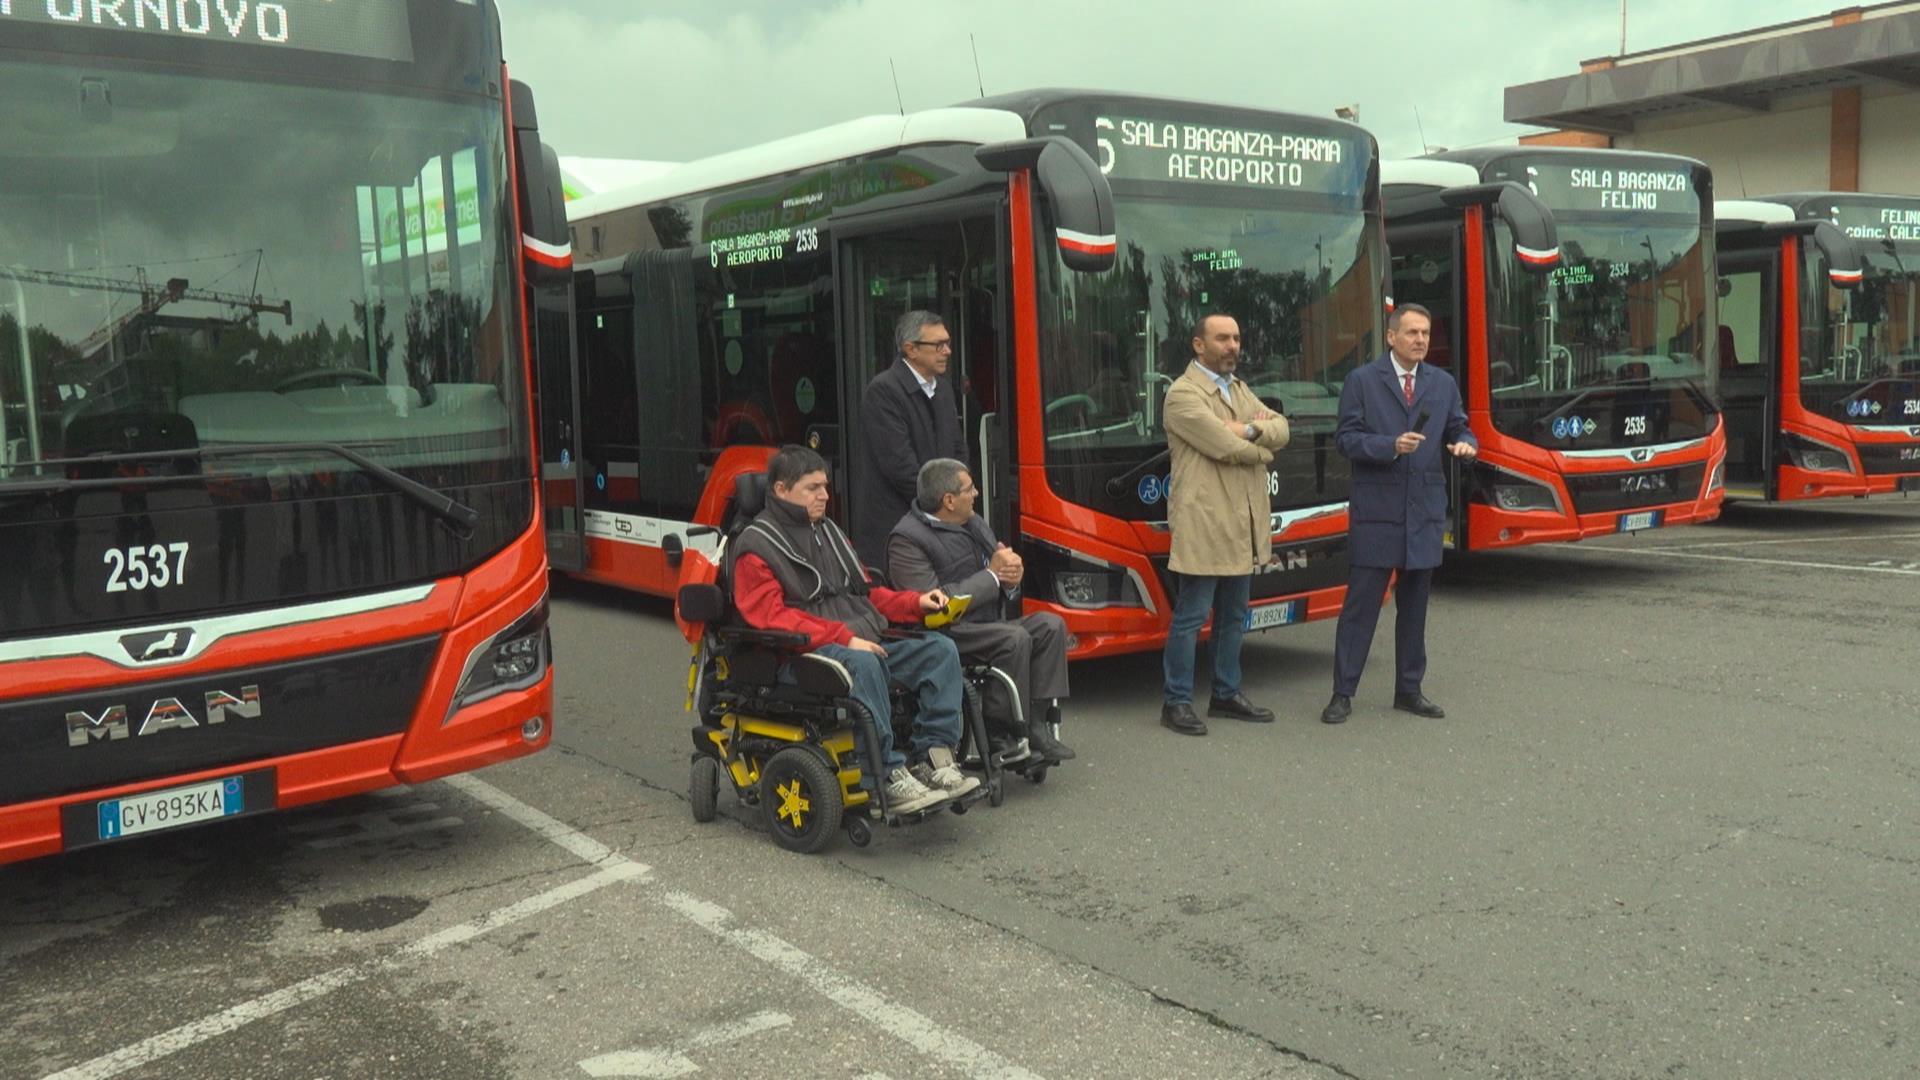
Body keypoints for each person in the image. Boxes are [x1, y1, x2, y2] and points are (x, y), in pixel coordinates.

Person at [731, 445, 981, 812]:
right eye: (813, 488)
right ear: (782, 490)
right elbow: (772, 618)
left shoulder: (829, 533)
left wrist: (915, 602)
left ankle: (934, 757)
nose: (824, 495)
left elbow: (866, 595)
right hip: (801, 655)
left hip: (859, 642)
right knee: (863, 664)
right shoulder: (756, 546)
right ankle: (886, 777)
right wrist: (844, 638)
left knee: (940, 650)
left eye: (825, 486)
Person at [1320, 303, 1477, 724]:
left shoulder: (1442, 383)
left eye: (1425, 333)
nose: (1421, 340)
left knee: (1415, 607)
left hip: (1423, 510)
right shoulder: (1363, 381)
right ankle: (1342, 693)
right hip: (1377, 510)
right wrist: (1389, 445)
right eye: (1412, 333)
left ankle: (1409, 689)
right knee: (1361, 608)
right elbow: (1346, 440)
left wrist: (1466, 443)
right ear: (1391, 337)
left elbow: (1459, 425)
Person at [886, 458, 1078, 765]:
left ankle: (1037, 726)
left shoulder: (973, 521)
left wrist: (1011, 579)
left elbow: (1000, 569)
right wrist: (992, 576)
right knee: (1013, 638)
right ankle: (999, 733)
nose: (975, 493)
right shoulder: (907, 540)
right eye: (969, 488)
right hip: (947, 632)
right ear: (948, 501)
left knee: (1050, 626)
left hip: (987, 622)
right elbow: (934, 603)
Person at [1159, 313, 1291, 736]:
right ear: (1199, 345)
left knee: (1235, 616)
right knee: (1191, 616)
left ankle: (1225, 693)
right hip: (1204, 521)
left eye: (1236, 337)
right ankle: (1176, 702)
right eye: (1222, 338)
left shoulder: (1238, 388)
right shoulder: (1182, 395)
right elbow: (1223, 446)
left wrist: (1249, 428)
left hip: (1241, 522)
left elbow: (1283, 427)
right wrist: (1260, 448)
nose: (1233, 346)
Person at [853, 310, 970, 569]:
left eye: (948, 343)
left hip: (941, 525)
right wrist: (947, 506)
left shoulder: (943, 388)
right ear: (910, 349)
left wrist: (962, 494)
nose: (947, 351)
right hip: (898, 531)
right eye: (938, 345)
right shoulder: (883, 391)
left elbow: (958, 449)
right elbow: (901, 469)